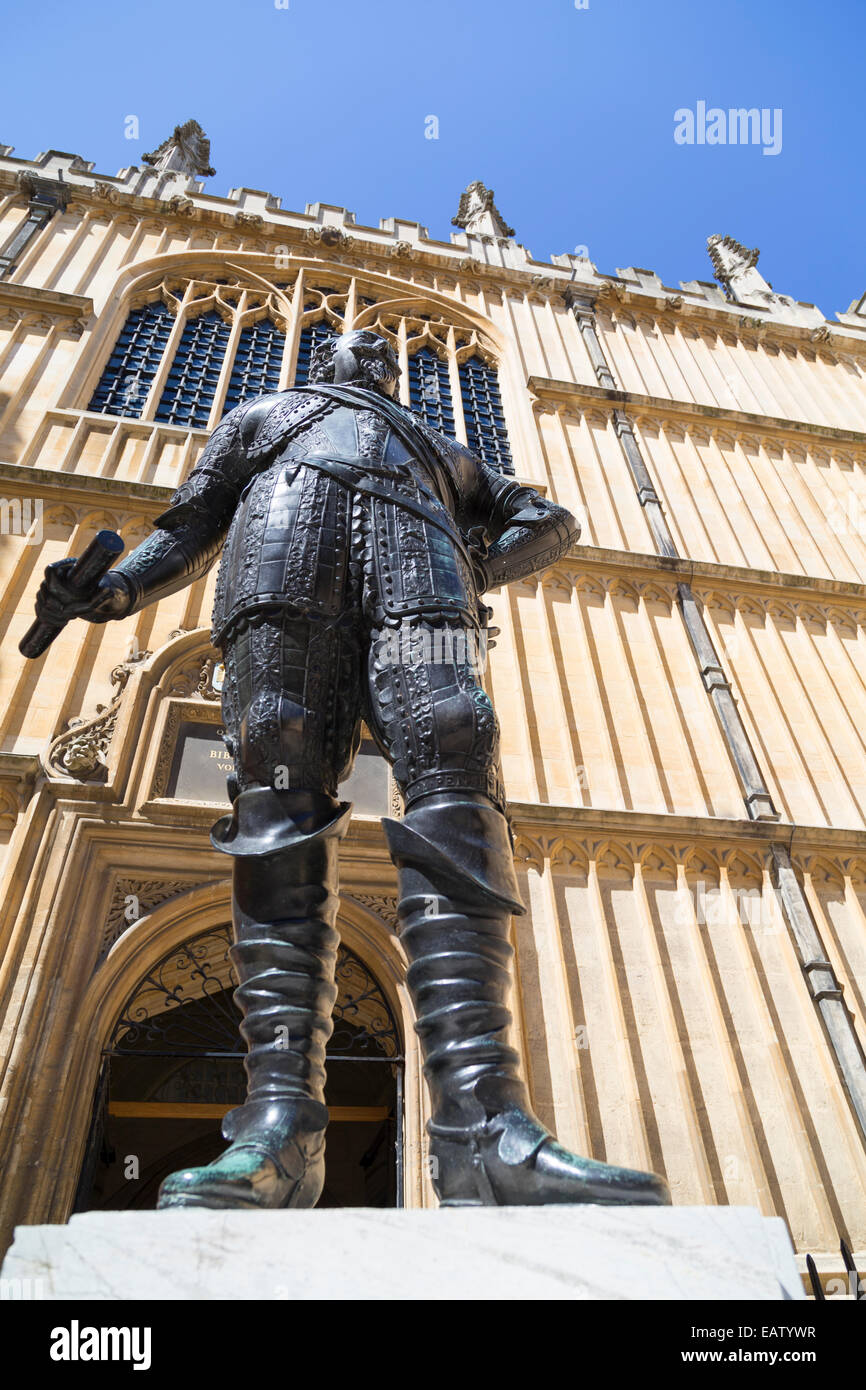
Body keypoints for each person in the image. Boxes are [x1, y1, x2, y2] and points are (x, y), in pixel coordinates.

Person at [36, 328, 669, 1210]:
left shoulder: (439, 447)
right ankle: (278, 1131)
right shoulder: (264, 413)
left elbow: (547, 520)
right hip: (273, 591)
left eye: (381, 354)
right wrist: (116, 592)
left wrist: (468, 557)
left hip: (433, 603)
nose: (369, 356)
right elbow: (190, 523)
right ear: (322, 364)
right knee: (277, 766)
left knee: (457, 733)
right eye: (354, 350)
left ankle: (485, 1129)